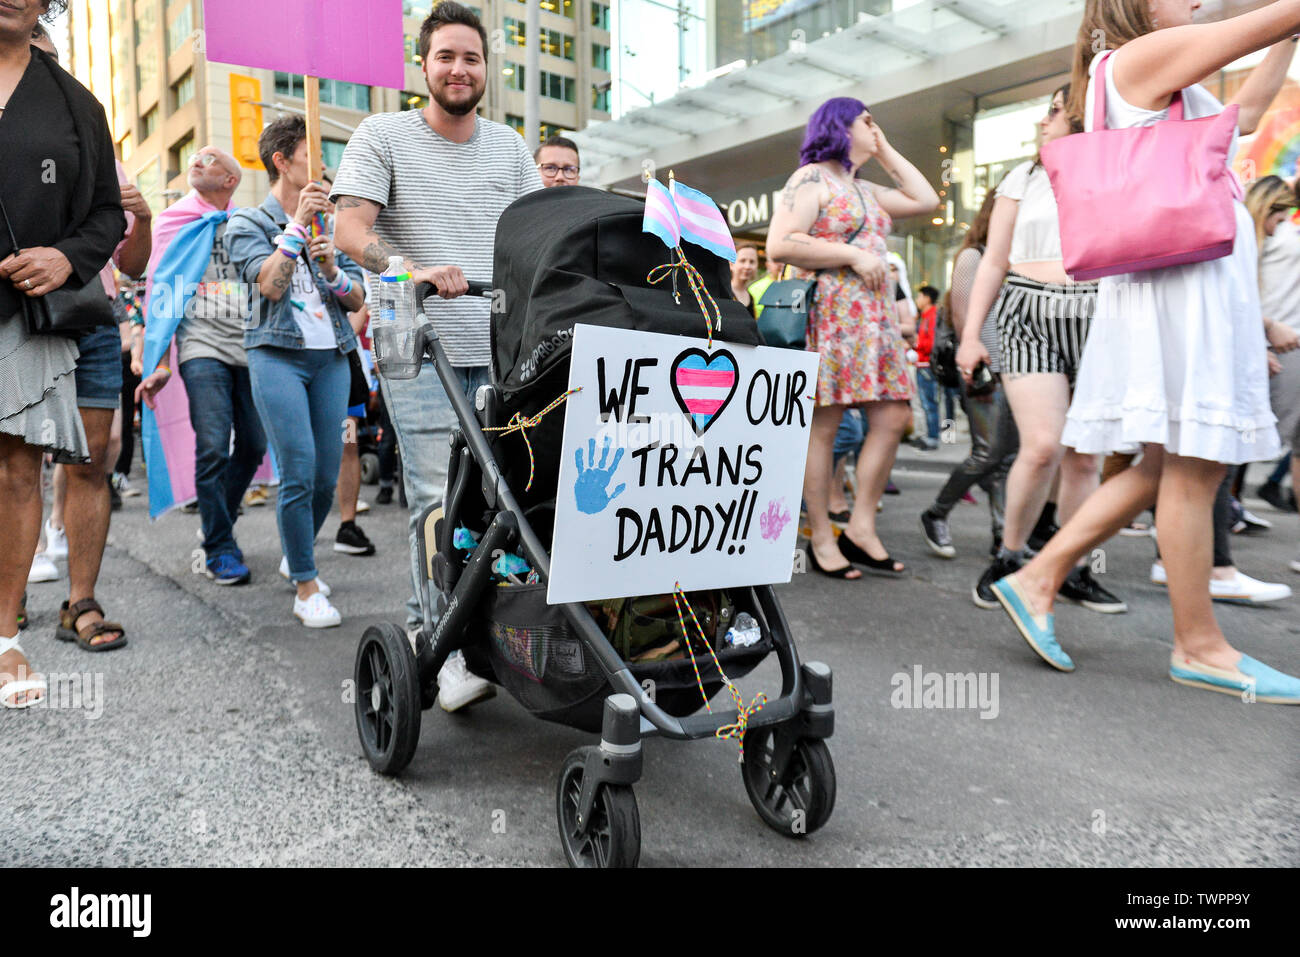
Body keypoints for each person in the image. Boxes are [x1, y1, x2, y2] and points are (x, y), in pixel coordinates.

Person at [992, 0, 1300, 704]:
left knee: (1166, 465)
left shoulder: (1156, 69)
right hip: (1182, 294)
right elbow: (1251, 30)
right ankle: (1200, 645)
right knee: (1193, 467)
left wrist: (1284, 29)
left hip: (1184, 289)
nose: (1195, 0)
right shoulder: (1137, 59)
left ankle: (1036, 577)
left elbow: (1247, 114)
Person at [331, 1, 542, 708]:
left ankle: (487, 630)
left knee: (503, 503)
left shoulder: (512, 149)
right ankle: (438, 645)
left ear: (487, 69)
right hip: (420, 350)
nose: (458, 68)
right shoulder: (383, 134)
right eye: (445, 55)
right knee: (435, 499)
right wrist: (408, 265)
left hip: (507, 351)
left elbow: (537, 239)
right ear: (423, 65)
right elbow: (349, 226)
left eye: (471, 57)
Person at [958, 84, 1126, 615]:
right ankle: (1010, 558)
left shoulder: (1114, 168)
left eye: (1055, 111)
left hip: (1101, 313)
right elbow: (992, 261)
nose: (1043, 121)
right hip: (1026, 313)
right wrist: (969, 336)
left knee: (1085, 457)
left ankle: (1071, 568)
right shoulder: (1022, 177)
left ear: (1083, 117)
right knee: (1042, 446)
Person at [0, 0, 126, 706]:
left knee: (17, 467)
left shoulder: (77, 105)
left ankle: (5, 641)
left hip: (24, 315)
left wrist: (63, 256)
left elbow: (108, 213)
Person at [767, 96, 939, 580]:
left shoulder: (864, 187)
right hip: (833, 314)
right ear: (840, 126)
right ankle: (821, 534)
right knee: (824, 425)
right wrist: (851, 254)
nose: (875, 126)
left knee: (893, 415)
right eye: (867, 120)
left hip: (876, 318)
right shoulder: (809, 179)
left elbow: (926, 200)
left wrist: (884, 152)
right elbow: (782, 242)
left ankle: (861, 526)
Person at [226, 116, 366, 626]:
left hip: (330, 356)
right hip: (275, 355)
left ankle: (297, 549)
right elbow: (268, 286)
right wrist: (294, 230)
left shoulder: (331, 222)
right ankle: (306, 586)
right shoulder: (246, 223)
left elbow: (357, 296)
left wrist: (330, 268)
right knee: (299, 467)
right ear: (283, 161)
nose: (323, 162)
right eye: (313, 152)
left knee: (327, 475)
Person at [135, 147, 268, 585]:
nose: (197, 160)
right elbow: (159, 291)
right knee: (213, 442)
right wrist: (159, 359)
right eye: (194, 157)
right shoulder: (173, 221)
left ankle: (218, 520)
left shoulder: (249, 223)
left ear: (231, 179)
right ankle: (218, 546)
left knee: (252, 443)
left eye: (211, 159)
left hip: (249, 347)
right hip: (200, 347)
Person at [921, 185, 1019, 559]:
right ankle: (936, 513)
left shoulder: (1014, 261)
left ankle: (1001, 534)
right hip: (981, 371)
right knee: (987, 453)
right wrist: (979, 365)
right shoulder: (973, 258)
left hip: (1014, 371)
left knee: (1005, 458)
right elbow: (964, 321)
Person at [1246, 174, 1300, 574]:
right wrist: (1260, 338)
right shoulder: (1269, 236)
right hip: (1280, 346)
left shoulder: (1273, 234)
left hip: (1281, 344)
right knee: (1229, 451)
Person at [912, 284, 941, 451]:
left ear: (927, 298)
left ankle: (933, 438)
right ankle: (931, 436)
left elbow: (930, 343)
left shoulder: (932, 315)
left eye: (920, 296)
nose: (918, 300)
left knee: (929, 403)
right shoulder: (925, 316)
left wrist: (915, 345)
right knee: (927, 402)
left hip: (927, 365)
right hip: (923, 364)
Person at [748, 253, 784, 318]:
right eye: (776, 261)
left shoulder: (791, 286)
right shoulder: (756, 288)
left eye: (783, 261)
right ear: (767, 265)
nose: (780, 264)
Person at [729, 242, 759, 315]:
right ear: (731, 264)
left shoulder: (751, 297)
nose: (747, 266)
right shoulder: (723, 293)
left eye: (752, 262)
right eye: (742, 261)